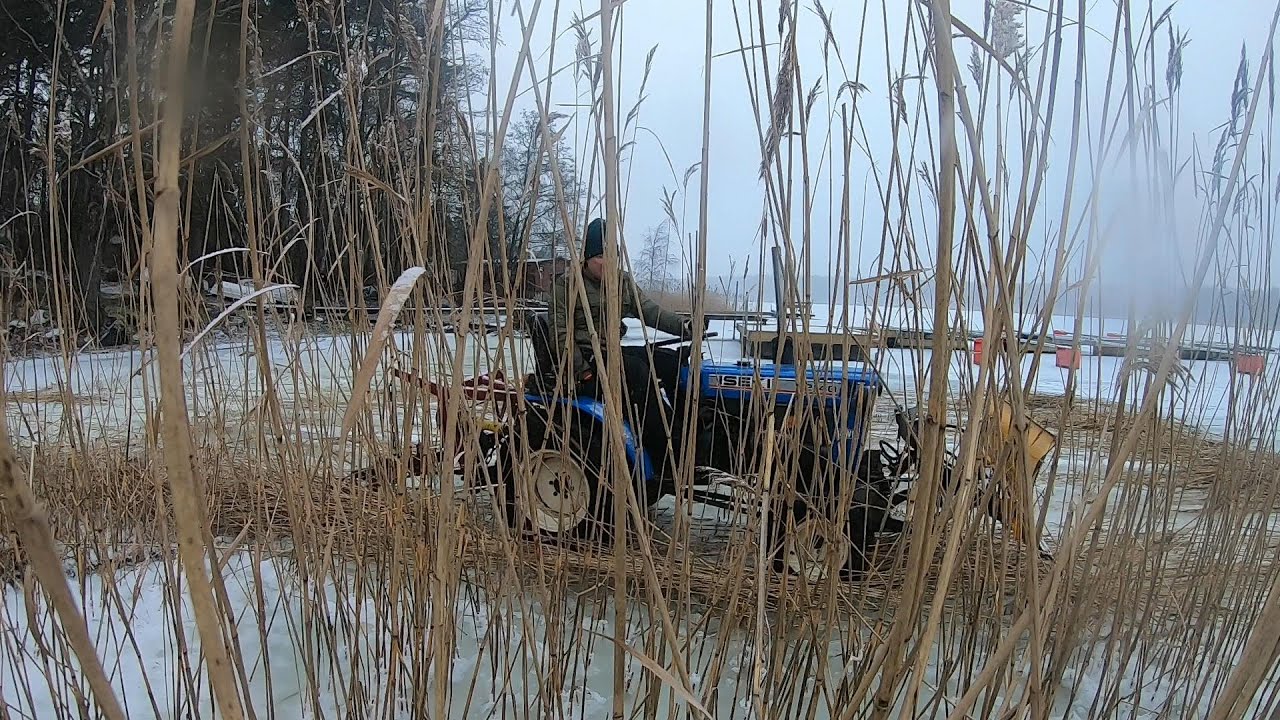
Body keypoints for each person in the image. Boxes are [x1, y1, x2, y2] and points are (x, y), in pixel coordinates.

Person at [549, 217, 698, 485]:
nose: (606, 263)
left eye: (611, 256)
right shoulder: (567, 285)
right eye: (599, 257)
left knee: (670, 362)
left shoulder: (622, 282)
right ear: (586, 258)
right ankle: (667, 452)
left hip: (612, 353)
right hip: (587, 359)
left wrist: (684, 326)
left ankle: (687, 434)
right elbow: (560, 335)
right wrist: (581, 371)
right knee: (639, 373)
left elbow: (648, 310)